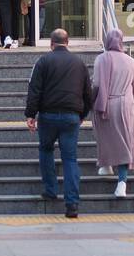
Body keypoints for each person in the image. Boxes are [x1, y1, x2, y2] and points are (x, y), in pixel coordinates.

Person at [25, 28, 93, 218]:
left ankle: (50, 190)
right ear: (68, 42)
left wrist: (31, 115)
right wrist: (82, 114)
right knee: (70, 158)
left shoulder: (43, 61)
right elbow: (88, 92)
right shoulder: (79, 64)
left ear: (51, 44)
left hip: (48, 116)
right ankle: (72, 204)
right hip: (71, 117)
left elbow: (34, 90)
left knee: (46, 150)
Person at [91, 29, 134, 198]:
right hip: (125, 104)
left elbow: (97, 84)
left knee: (105, 137)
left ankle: (106, 165)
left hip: (105, 104)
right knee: (125, 141)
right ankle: (122, 182)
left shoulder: (101, 59)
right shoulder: (131, 61)